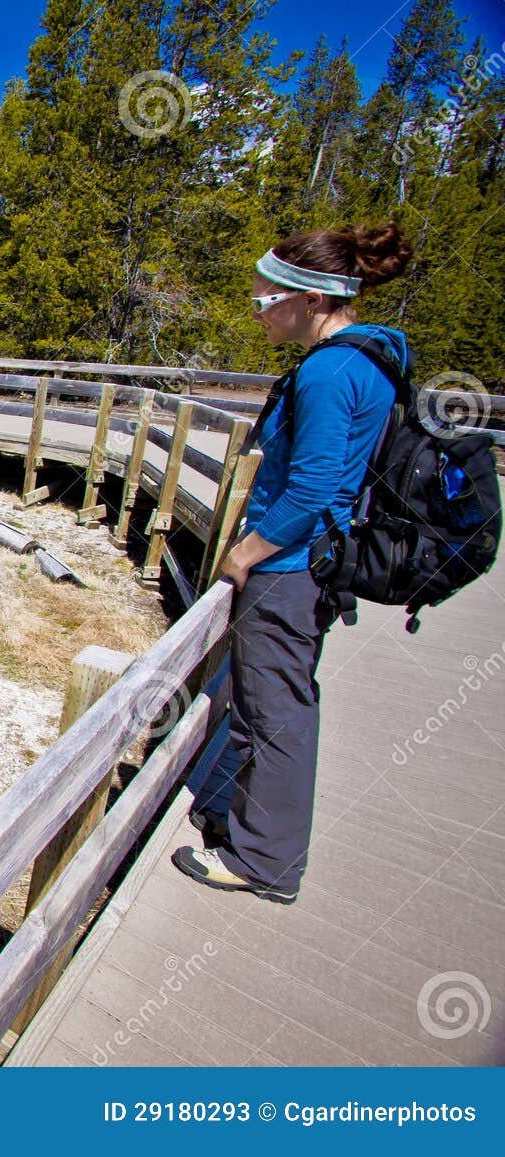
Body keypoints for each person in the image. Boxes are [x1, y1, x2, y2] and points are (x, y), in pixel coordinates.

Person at [172, 222, 414, 904]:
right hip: (312, 562)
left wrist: (244, 554)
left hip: (290, 568)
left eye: (263, 300)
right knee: (264, 697)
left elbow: (310, 487)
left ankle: (263, 861)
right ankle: (239, 817)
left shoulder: (331, 370)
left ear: (309, 299)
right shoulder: (368, 359)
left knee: (278, 708)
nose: (258, 312)